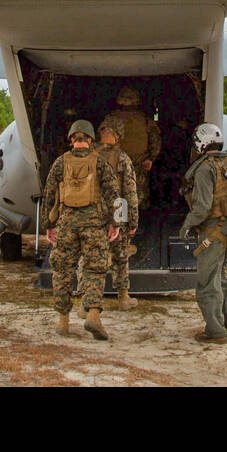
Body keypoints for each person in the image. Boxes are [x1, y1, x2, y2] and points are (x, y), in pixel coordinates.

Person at [44, 119, 120, 340]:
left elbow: (49, 195)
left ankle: (63, 321)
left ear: (71, 139)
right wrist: (115, 224)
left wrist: (49, 225)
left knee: (63, 270)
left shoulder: (60, 163)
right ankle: (93, 315)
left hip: (66, 223)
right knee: (95, 269)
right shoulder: (101, 163)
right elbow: (114, 195)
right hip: (93, 223)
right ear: (90, 140)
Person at [179, 123, 227, 344]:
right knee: (221, 275)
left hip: (213, 229)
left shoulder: (206, 169)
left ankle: (216, 332)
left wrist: (187, 225)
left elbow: (202, 208)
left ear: (200, 143)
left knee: (207, 281)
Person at [96, 115, 139, 310]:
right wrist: (133, 222)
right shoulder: (122, 158)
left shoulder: (90, 156)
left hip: (94, 212)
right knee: (121, 257)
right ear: (119, 136)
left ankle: (86, 302)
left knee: (91, 258)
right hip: (118, 210)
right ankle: (123, 298)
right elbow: (130, 193)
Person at [104, 87, 161, 209]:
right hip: (135, 163)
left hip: (125, 163)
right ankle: (133, 223)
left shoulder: (111, 118)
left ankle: (123, 223)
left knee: (119, 196)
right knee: (136, 196)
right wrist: (151, 158)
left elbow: (103, 141)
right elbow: (155, 141)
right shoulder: (144, 119)